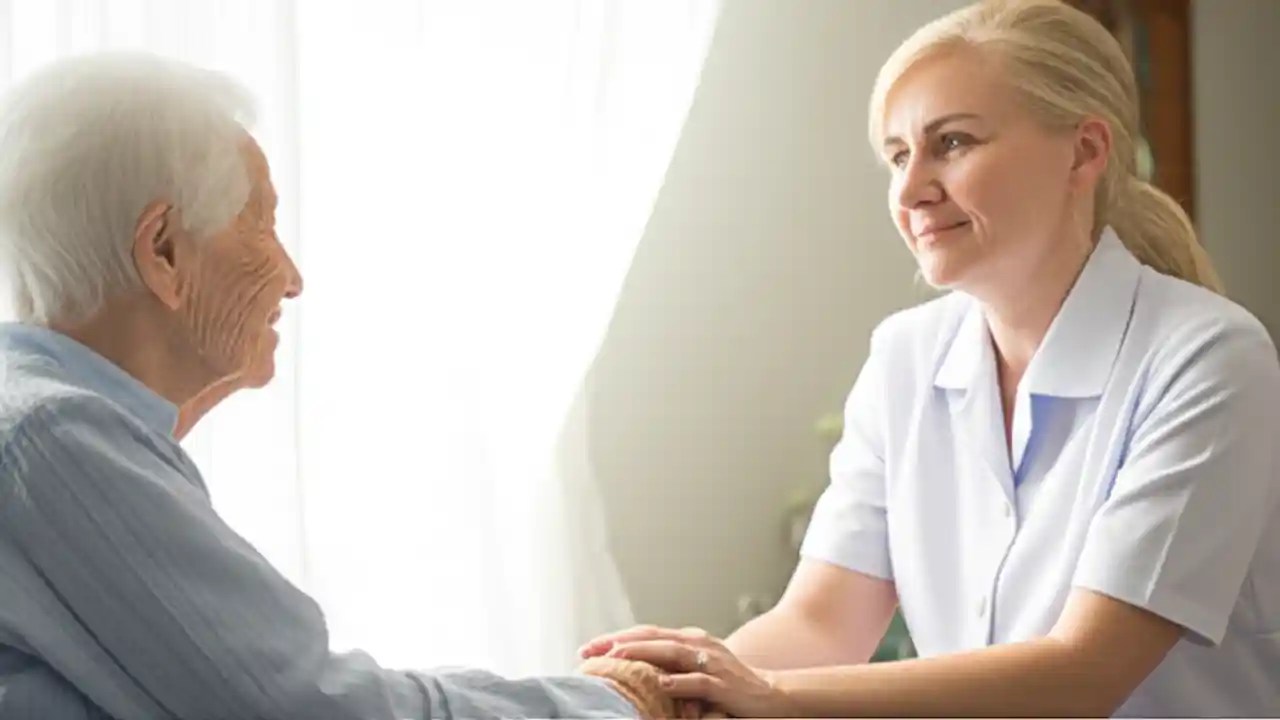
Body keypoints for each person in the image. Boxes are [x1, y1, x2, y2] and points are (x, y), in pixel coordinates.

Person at [580, 0, 1280, 716]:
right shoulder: (904, 359)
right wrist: (676, 684)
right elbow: (822, 622)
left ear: (1086, 151)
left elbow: (1086, 673)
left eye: (951, 143)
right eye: (897, 154)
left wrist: (766, 695)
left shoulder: (1208, 360)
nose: (911, 190)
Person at [0, 51, 656, 719]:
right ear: (163, 250)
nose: (291, 278)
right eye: (260, 222)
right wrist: (610, 705)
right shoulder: (51, 441)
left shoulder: (39, 419)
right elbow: (306, 705)